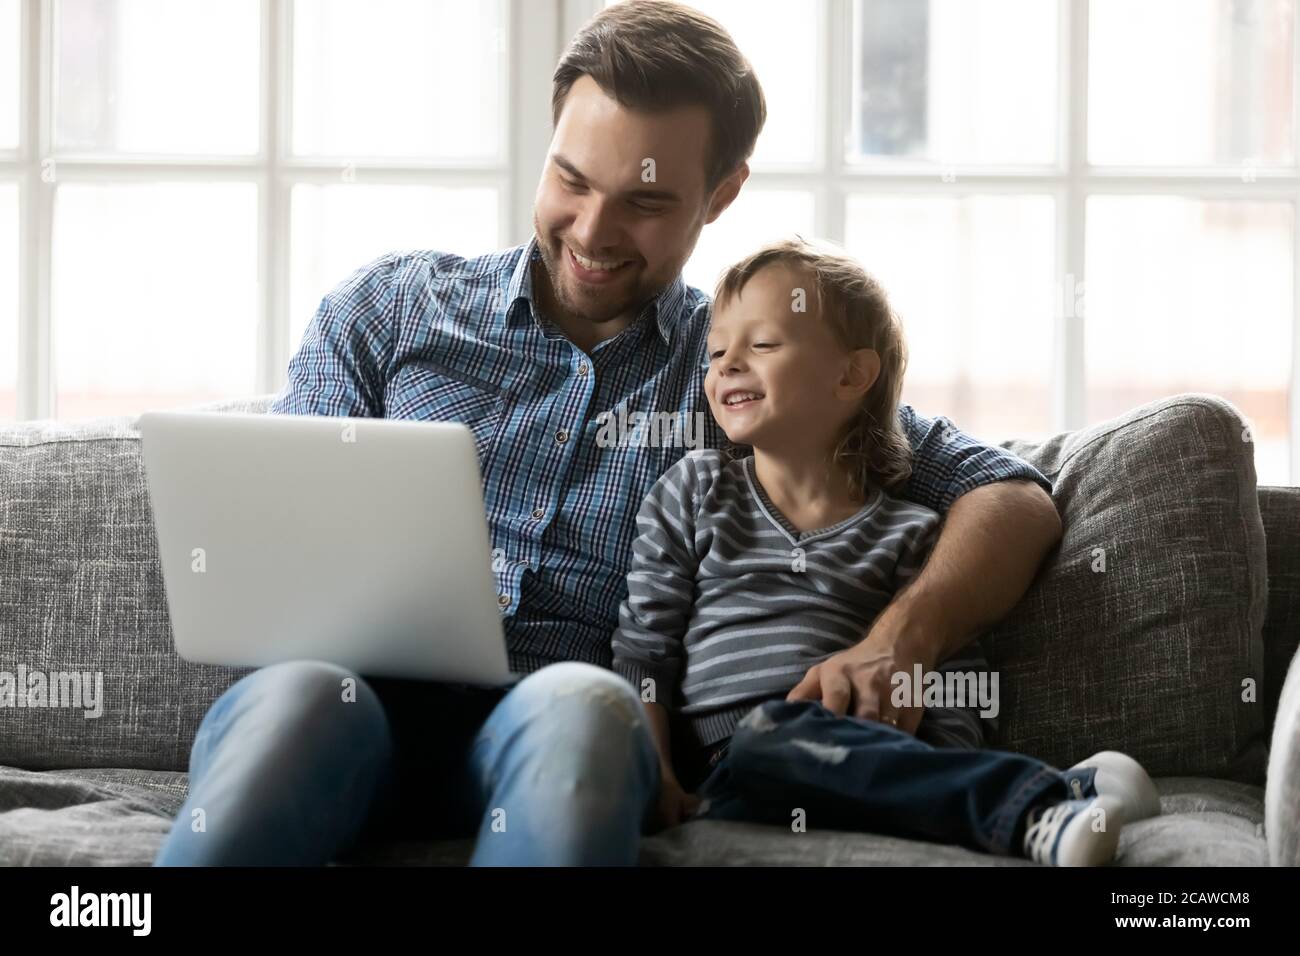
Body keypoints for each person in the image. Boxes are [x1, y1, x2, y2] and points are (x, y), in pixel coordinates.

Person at [155, 1, 1065, 867]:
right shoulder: (392, 311)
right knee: (304, 696)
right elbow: (271, 560)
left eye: (645, 201)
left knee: (584, 704)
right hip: (348, 709)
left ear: (722, 194)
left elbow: (1010, 497)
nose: (591, 231)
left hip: (559, 724)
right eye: (570, 180)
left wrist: (901, 640)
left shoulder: (744, 372)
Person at [611, 238, 1161, 865]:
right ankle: (1063, 791)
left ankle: (1033, 813)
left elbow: (952, 675)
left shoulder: (911, 531)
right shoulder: (693, 489)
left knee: (771, 731)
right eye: (716, 351)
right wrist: (657, 776)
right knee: (761, 743)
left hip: (849, 745)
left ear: (852, 374)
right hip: (729, 776)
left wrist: (943, 758)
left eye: (762, 344)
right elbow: (643, 652)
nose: (728, 363)